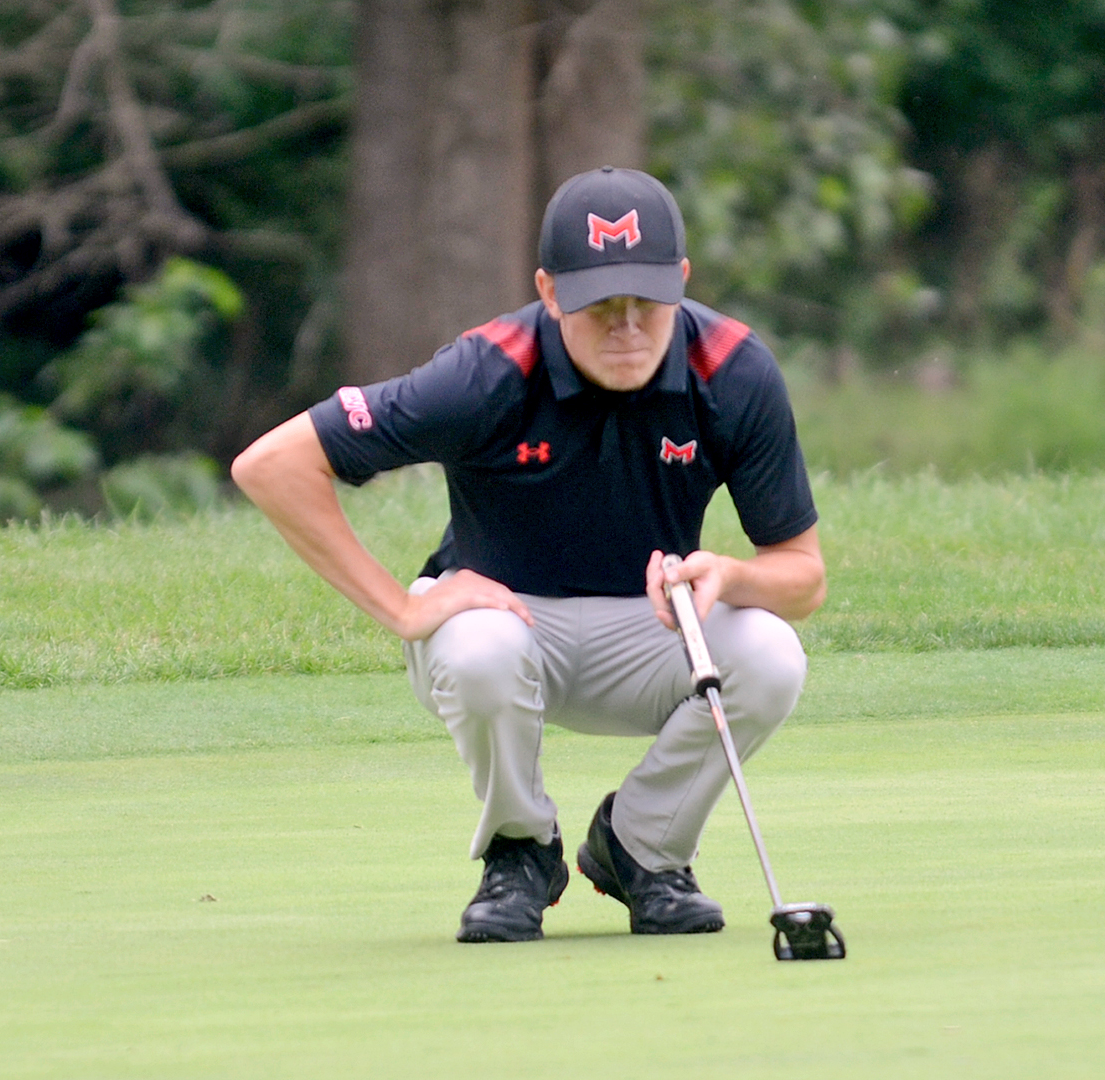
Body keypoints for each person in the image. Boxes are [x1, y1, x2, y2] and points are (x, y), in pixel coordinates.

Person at [231, 166, 824, 943]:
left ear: (681, 280)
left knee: (773, 654)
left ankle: (643, 849)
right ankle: (520, 851)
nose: (627, 326)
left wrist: (733, 574)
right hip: (506, 628)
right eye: (597, 305)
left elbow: (802, 575)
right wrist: (404, 608)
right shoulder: (486, 372)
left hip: (651, 634)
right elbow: (271, 466)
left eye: (646, 301)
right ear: (548, 291)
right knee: (480, 650)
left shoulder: (734, 370)